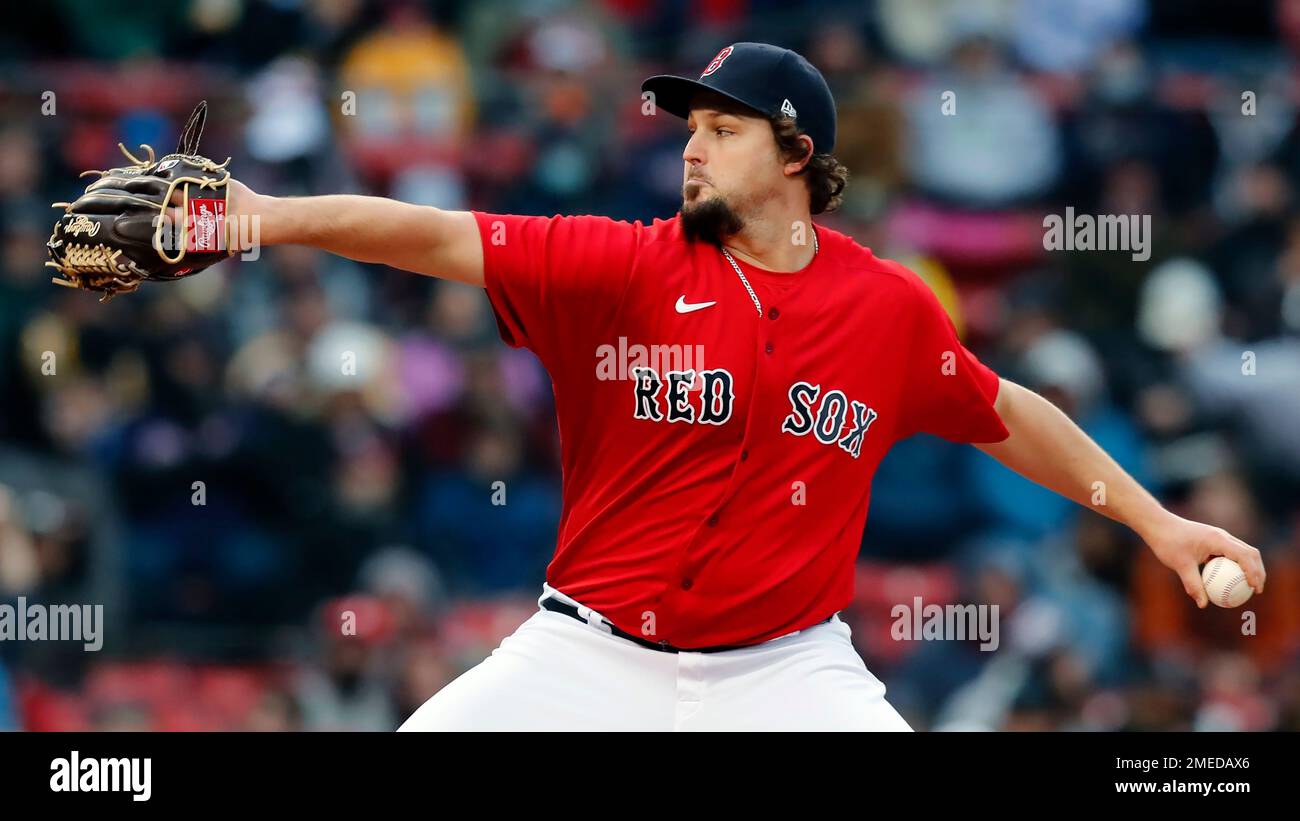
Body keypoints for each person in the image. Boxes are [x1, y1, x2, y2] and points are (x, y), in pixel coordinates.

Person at [219, 43, 1266, 730]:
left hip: (784, 672)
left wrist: (1157, 523)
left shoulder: (886, 307)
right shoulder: (624, 264)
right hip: (589, 652)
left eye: (722, 129)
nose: (692, 147)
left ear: (797, 153)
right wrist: (268, 216)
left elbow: (1005, 414)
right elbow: (437, 233)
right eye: (687, 128)